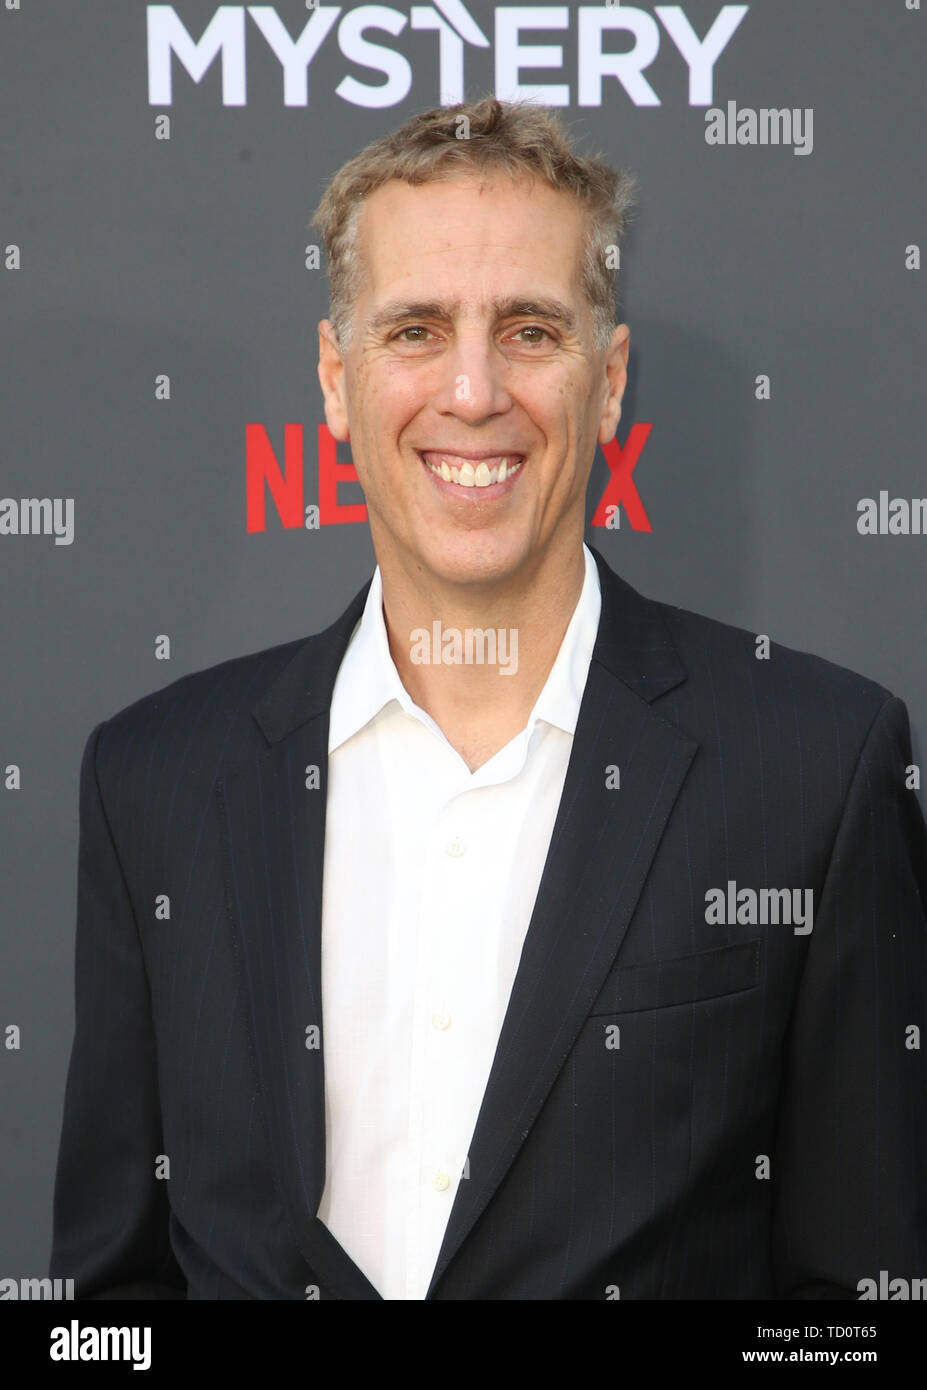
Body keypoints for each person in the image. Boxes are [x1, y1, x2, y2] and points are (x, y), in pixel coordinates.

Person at [50, 96, 927, 1301]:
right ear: (336, 380)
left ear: (609, 382)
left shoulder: (815, 768)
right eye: (414, 330)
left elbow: (861, 1312)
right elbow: (106, 1311)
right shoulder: (155, 783)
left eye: (529, 330)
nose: (472, 390)